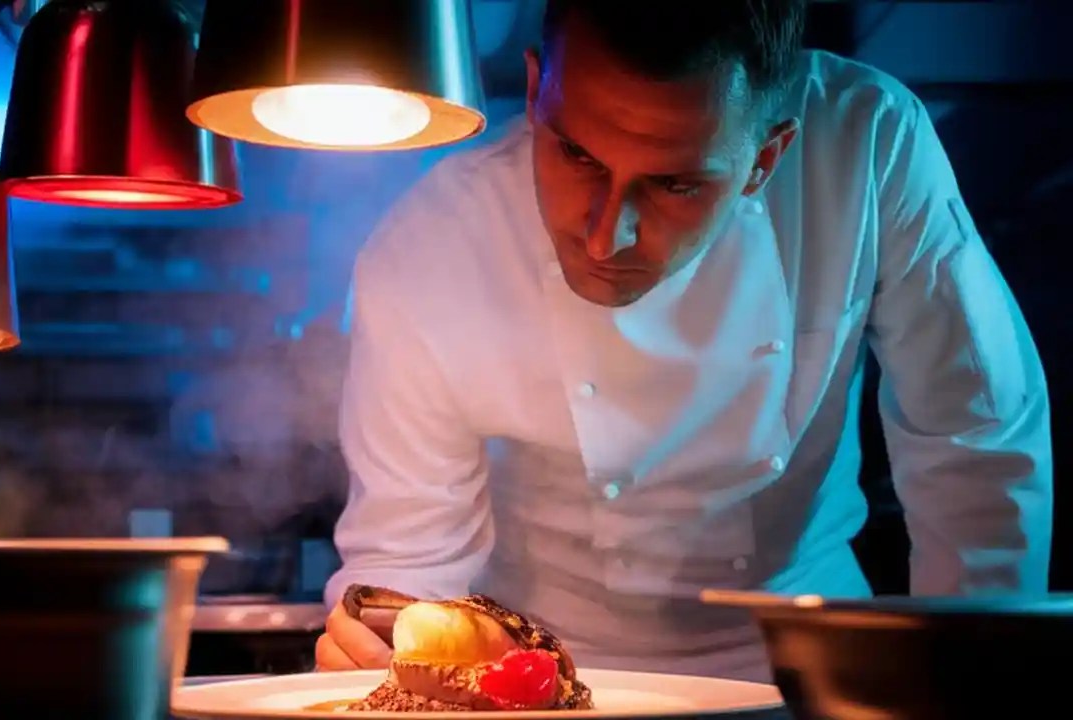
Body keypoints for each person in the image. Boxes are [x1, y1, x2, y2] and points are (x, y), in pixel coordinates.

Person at [316, 0, 1053, 682]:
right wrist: (377, 645)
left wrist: (974, 681)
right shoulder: (434, 240)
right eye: (577, 156)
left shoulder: (867, 144)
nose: (606, 236)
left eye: (676, 185)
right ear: (537, 91)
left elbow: (975, 442)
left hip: (813, 665)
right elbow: (409, 556)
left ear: (766, 158)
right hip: (541, 678)